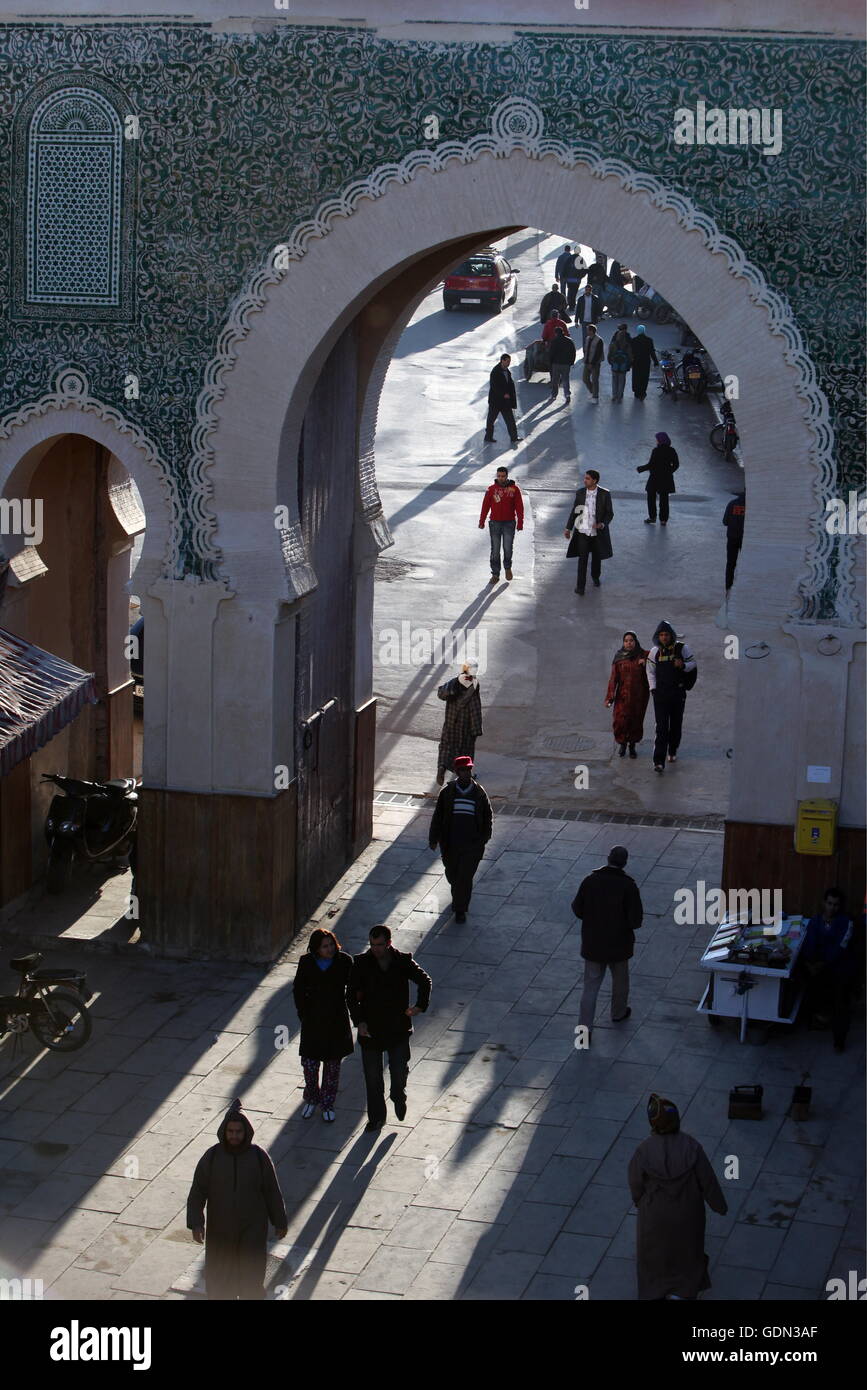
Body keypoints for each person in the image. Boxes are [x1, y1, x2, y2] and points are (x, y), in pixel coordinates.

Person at [628, 1094, 728, 1301]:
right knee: (687, 1253)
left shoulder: (644, 1150)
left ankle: (655, 1293)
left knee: (654, 1257)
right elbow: (708, 1181)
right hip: (688, 1212)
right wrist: (719, 1206)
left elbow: (635, 1183)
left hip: (654, 1215)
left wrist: (640, 1201)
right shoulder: (692, 1147)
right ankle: (681, 1292)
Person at [187, 1099, 288, 1300]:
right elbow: (197, 1192)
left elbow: (271, 1192)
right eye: (230, 1131)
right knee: (220, 1283)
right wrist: (196, 1223)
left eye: (238, 1132)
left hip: (252, 1231)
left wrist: (280, 1221)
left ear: (246, 1132)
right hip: (220, 1234)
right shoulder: (212, 1157)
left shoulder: (259, 1157)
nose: (234, 1136)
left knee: (251, 1283)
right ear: (224, 1132)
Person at [350, 925, 432, 1131]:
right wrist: (359, 1021)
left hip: (397, 1028)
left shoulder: (402, 961)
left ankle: (398, 1095)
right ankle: (377, 1118)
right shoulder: (361, 963)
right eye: (372, 944)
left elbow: (424, 980)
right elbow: (350, 996)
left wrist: (419, 1006)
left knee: (398, 1071)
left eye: (379, 945)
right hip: (371, 1029)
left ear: (388, 943)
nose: (375, 949)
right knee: (372, 1077)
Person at [572, 845, 643, 1036]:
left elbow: (577, 908)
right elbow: (636, 921)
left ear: (608, 858)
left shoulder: (590, 881)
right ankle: (618, 1013)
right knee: (620, 981)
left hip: (593, 944)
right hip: (619, 945)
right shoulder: (629, 886)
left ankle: (584, 1028)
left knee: (590, 986)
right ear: (625, 862)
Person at [292, 928, 354, 1122]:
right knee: (310, 1065)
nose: (329, 949)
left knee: (332, 1067)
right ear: (316, 948)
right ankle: (311, 1097)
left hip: (336, 1021)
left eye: (331, 945)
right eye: (325, 946)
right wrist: (304, 1014)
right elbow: (298, 990)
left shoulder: (344, 961)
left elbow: (353, 987)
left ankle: (327, 1103)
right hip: (313, 1022)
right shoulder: (307, 962)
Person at [429, 753, 492, 921]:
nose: (466, 773)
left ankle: (460, 910)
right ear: (457, 772)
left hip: (472, 844)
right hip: (450, 843)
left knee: (465, 877)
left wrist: (484, 837)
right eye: (463, 770)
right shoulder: (447, 793)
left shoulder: (479, 793)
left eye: (468, 769)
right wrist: (433, 839)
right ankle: (459, 894)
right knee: (452, 874)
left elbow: (487, 816)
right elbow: (438, 817)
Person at [801, 888, 855, 1052]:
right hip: (816, 966)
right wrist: (810, 963)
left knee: (841, 1002)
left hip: (838, 968)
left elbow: (840, 948)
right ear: (824, 903)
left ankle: (839, 1041)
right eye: (829, 903)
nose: (832, 908)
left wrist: (821, 964)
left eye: (836, 905)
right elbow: (810, 943)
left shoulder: (846, 923)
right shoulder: (815, 921)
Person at [646, 619, 696, 772]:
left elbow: (692, 664)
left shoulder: (683, 648)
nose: (664, 637)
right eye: (661, 635)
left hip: (678, 694)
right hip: (660, 695)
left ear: (671, 635)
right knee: (661, 727)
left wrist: (683, 666)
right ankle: (658, 762)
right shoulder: (655, 652)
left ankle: (672, 749)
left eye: (666, 634)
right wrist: (653, 689)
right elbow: (650, 671)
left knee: (675, 725)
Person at [564, 469, 613, 595]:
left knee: (597, 558)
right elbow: (574, 512)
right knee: (582, 560)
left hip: (597, 533)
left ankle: (595, 576)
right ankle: (580, 587)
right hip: (582, 532)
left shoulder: (605, 494)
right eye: (585, 478)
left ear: (594, 480)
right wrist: (568, 528)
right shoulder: (580, 493)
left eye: (587, 478)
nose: (584, 480)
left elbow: (609, 513)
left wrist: (602, 524)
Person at [435, 661, 482, 786]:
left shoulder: (455, 681)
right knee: (466, 749)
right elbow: (474, 707)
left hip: (450, 722)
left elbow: (441, 693)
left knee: (446, 746)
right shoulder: (474, 684)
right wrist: (476, 728)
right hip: (466, 724)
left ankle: (442, 767)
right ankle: (466, 775)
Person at [605, 631, 650, 758]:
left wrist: (646, 662)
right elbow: (613, 679)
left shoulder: (643, 655)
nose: (629, 643)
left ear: (635, 642)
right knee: (620, 720)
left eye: (631, 640)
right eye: (626, 641)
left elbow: (656, 660)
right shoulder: (619, 658)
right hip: (623, 696)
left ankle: (632, 746)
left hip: (639, 696)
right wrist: (610, 697)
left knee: (636, 720)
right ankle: (622, 744)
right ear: (623, 643)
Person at [479, 465, 524, 583]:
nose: (501, 478)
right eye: (499, 476)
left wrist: (520, 522)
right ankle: (495, 574)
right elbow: (485, 506)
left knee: (507, 548)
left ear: (507, 476)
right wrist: (482, 521)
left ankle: (508, 567)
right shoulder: (491, 489)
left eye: (503, 476)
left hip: (509, 523)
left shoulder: (514, 489)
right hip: (495, 523)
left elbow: (519, 507)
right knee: (495, 550)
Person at [637, 431, 679, 525]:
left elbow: (651, 464)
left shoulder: (656, 450)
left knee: (651, 497)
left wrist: (641, 469)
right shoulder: (672, 450)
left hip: (654, 478)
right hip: (666, 479)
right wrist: (669, 471)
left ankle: (652, 517)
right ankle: (663, 520)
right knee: (664, 499)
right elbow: (676, 464)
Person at [484, 353, 521, 445]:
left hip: (505, 402)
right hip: (495, 401)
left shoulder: (506, 371)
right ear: (502, 360)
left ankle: (514, 437)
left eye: (509, 361)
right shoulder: (495, 371)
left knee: (510, 420)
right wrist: (503, 394)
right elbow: (494, 386)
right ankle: (488, 437)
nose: (509, 363)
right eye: (507, 361)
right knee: (491, 420)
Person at [723, 490, 746, 590]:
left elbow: (725, 521)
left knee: (731, 563)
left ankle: (728, 587)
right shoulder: (754, 507)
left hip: (732, 537)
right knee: (745, 563)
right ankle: (742, 586)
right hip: (745, 539)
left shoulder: (732, 504)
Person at [549, 325, 577, 402]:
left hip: (556, 364)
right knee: (565, 380)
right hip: (566, 364)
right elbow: (573, 352)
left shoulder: (554, 341)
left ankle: (554, 395)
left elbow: (551, 353)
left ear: (556, 333)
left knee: (555, 380)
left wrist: (550, 362)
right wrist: (571, 362)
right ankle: (567, 395)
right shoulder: (569, 341)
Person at [630, 323, 658, 399]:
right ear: (644, 331)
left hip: (636, 362)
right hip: (645, 362)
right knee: (644, 377)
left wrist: (630, 363)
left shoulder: (634, 340)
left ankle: (636, 392)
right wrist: (656, 361)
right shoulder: (649, 340)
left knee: (636, 377)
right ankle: (642, 392)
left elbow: (631, 352)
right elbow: (652, 352)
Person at [607, 323, 633, 402]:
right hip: (623, 366)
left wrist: (611, 362)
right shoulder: (627, 344)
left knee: (614, 381)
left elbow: (609, 355)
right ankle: (619, 397)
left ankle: (614, 396)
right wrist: (629, 364)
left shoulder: (613, 344)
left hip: (614, 366)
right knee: (622, 381)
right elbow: (630, 355)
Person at [581, 323, 604, 401]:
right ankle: (592, 391)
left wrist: (592, 363)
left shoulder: (599, 340)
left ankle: (595, 396)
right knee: (585, 379)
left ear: (591, 331)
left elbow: (598, 353)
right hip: (587, 362)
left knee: (595, 380)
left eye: (588, 330)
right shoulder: (587, 338)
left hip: (595, 364)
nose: (587, 331)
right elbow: (586, 350)